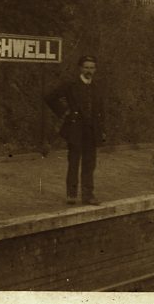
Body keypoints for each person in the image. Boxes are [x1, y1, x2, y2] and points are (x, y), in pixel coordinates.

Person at [45, 55, 106, 206]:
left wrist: (102, 130)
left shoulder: (98, 87)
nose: (89, 71)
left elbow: (102, 111)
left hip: (92, 131)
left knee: (89, 164)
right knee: (73, 163)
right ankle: (71, 195)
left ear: (95, 69)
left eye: (92, 68)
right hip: (75, 130)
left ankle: (88, 195)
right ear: (80, 68)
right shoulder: (71, 85)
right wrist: (64, 111)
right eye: (86, 67)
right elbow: (50, 97)